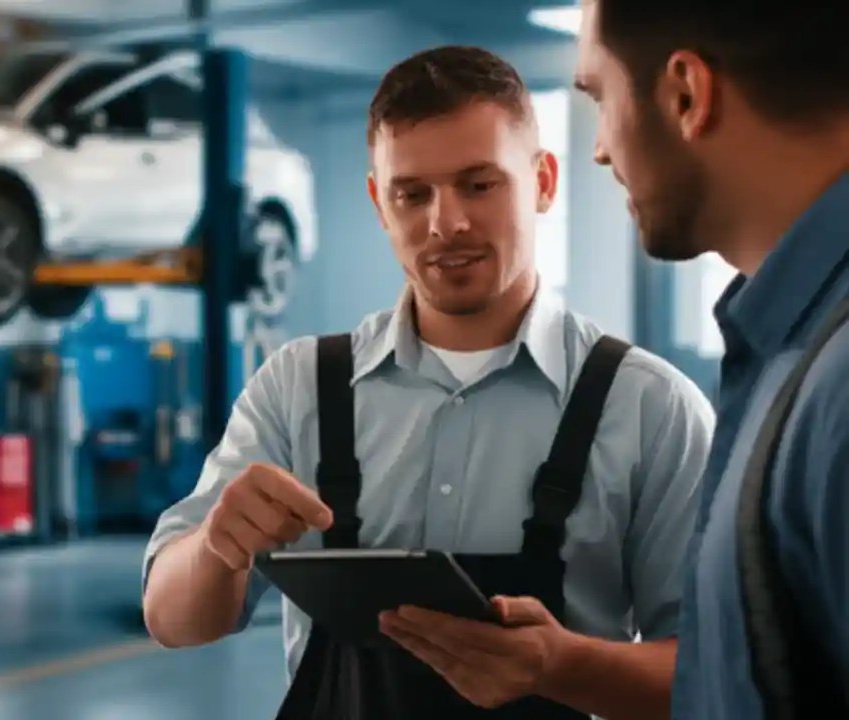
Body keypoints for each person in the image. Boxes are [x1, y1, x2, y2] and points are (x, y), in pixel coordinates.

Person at [142, 46, 715, 719]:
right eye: (412, 194)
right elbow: (173, 620)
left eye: (480, 184)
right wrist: (218, 544)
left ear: (544, 181)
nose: (447, 223)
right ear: (378, 203)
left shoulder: (650, 407)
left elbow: (716, 675)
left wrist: (563, 666)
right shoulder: (298, 388)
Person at [573, 1, 849, 718]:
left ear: (686, 95)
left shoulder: (838, 386)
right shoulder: (790, 350)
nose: (600, 149)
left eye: (601, 99)